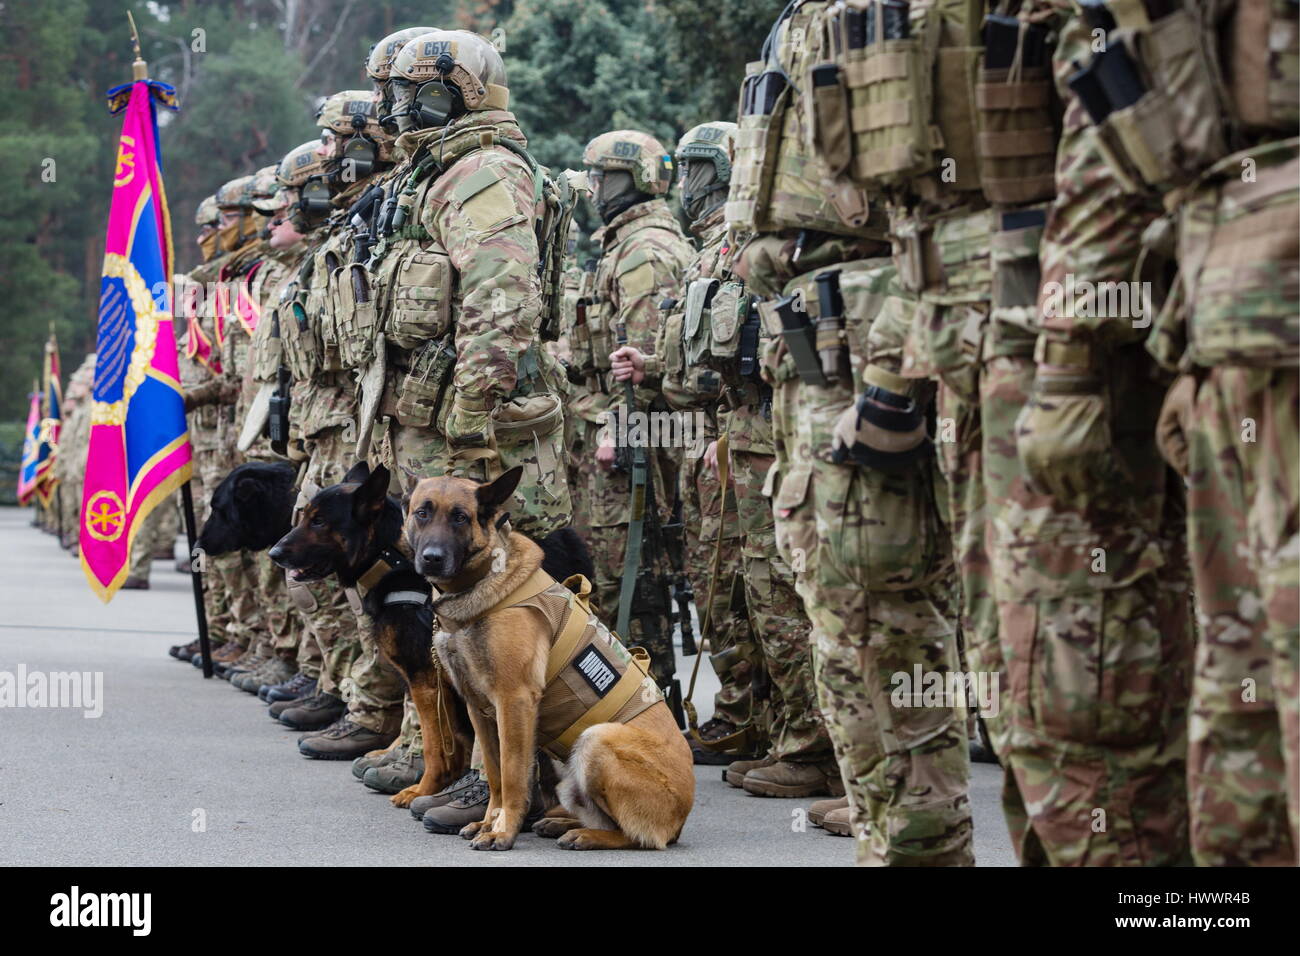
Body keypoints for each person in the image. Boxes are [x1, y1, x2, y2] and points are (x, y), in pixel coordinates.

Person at [610, 121, 840, 797]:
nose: (693, 186)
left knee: (782, 597)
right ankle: (775, 730)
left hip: (774, 444)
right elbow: (711, 366)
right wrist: (652, 367)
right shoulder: (719, 250)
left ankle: (816, 751)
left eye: (706, 170)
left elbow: (793, 356)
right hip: (734, 440)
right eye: (688, 171)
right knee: (738, 595)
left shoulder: (771, 249)